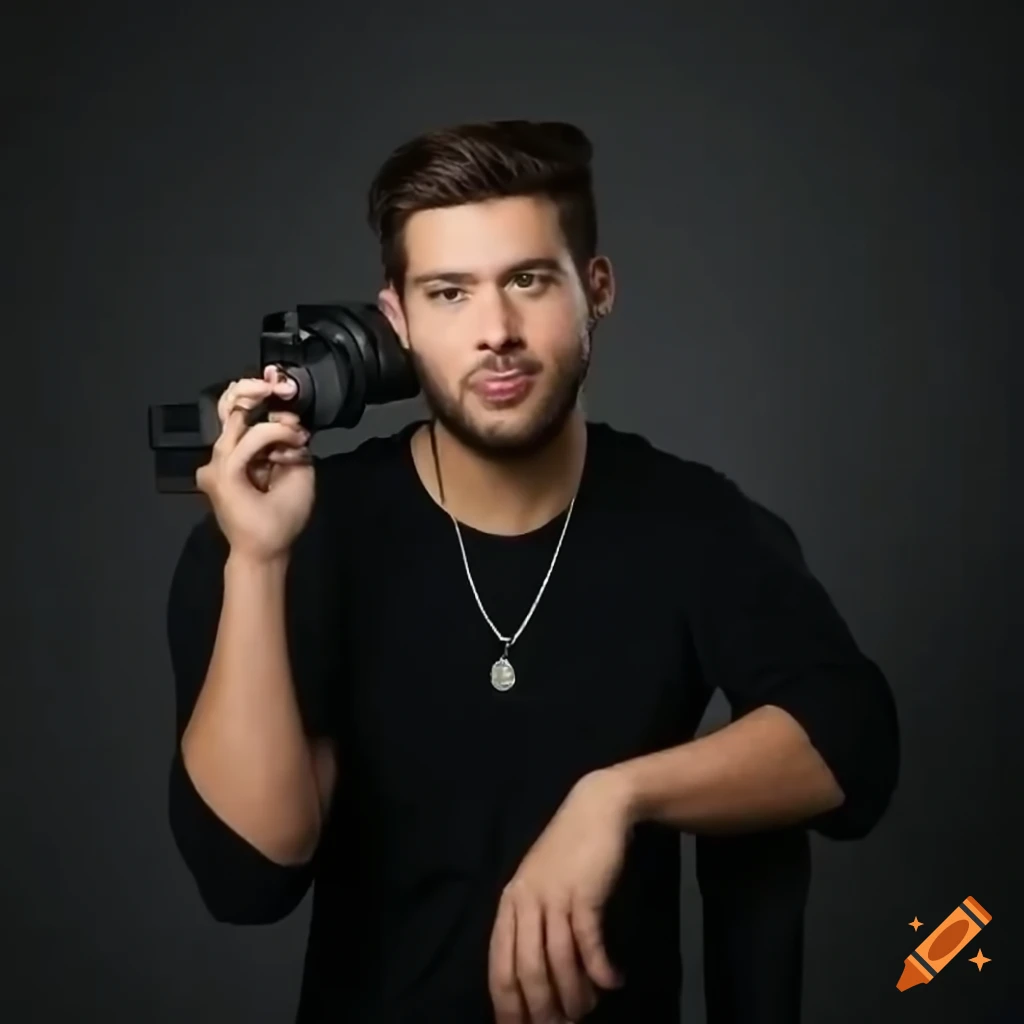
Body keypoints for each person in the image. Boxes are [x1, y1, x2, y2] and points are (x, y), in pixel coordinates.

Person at [166, 119, 900, 1024]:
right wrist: (259, 559)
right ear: (396, 320)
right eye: (448, 293)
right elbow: (250, 877)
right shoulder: (297, 536)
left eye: (527, 280)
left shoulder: (691, 519)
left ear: (596, 289)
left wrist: (617, 796)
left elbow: (854, 744)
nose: (496, 334)